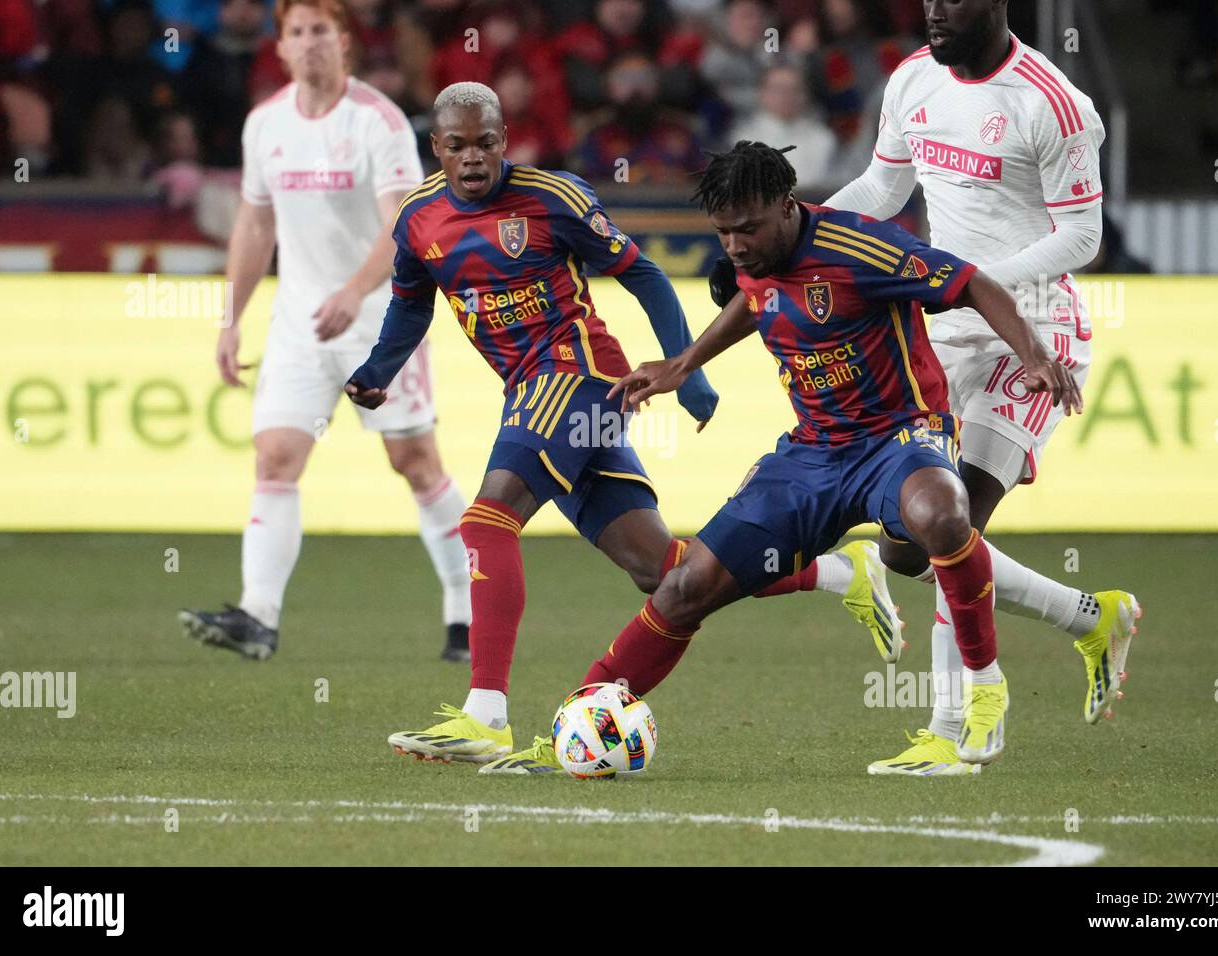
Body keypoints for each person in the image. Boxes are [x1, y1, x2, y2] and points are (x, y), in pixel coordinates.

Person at [345, 84, 898, 773]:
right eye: (456, 145)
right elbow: (407, 304)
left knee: (487, 522)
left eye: (485, 142)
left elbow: (646, 277)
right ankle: (840, 573)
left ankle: (486, 714)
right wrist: (377, 369)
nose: (472, 158)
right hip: (533, 392)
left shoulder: (555, 199)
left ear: (504, 138)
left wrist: (688, 374)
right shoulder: (419, 218)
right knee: (659, 570)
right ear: (438, 148)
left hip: (577, 377)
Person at [712, 0, 1140, 775]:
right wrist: (775, 249)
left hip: (1030, 329)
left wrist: (964, 281)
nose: (935, 10)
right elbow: (880, 187)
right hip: (942, 319)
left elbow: (1082, 235)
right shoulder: (912, 80)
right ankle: (1090, 616)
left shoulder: (1055, 104)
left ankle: (956, 727)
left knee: (955, 522)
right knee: (911, 550)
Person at [582, 140, 1083, 771]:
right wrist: (685, 362)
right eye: (724, 232)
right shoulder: (753, 254)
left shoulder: (862, 248)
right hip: (814, 451)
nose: (735, 246)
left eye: (748, 230)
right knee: (684, 585)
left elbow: (973, 283)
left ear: (787, 208)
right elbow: (754, 296)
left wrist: (1036, 355)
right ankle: (582, 715)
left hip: (899, 435)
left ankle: (985, 688)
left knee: (944, 518)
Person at [178, 0, 473, 663]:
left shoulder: (378, 121)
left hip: (379, 322)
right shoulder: (265, 125)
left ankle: (465, 611)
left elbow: (404, 227)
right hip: (299, 325)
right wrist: (230, 319)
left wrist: (353, 291)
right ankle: (258, 615)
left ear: (345, 43)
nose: (310, 43)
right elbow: (255, 225)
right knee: (276, 457)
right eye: (297, 32)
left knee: (415, 464)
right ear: (279, 48)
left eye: (322, 32)